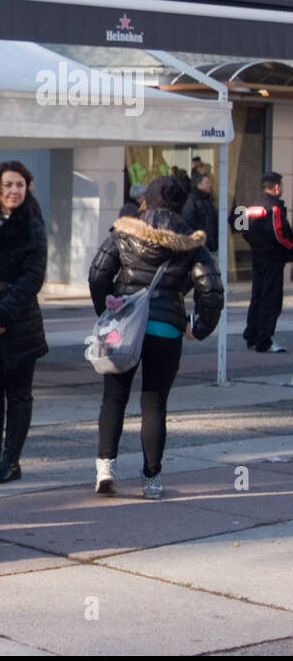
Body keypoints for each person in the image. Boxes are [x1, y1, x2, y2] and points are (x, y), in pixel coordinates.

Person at [89, 176, 223, 498]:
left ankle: (105, 468)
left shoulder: (123, 232)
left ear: (145, 201)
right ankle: (152, 479)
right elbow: (212, 289)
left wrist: (106, 312)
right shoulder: (191, 242)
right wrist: (199, 325)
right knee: (154, 403)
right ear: (181, 204)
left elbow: (97, 274)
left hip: (123, 328)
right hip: (166, 328)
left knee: (114, 397)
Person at [0, 161, 48, 483]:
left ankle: (11, 461)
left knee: (18, 394)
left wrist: (1, 315)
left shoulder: (34, 225)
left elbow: (33, 277)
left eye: (20, 184)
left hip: (20, 321)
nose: (14, 190)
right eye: (8, 185)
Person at [240, 172, 293, 353]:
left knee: (257, 298)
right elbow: (280, 235)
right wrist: (291, 248)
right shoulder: (274, 208)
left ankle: (252, 336)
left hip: (257, 257)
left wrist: (256, 245)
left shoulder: (252, 206)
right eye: (282, 186)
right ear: (276, 187)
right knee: (271, 301)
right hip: (273, 259)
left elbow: (243, 229)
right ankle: (264, 340)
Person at [181, 172, 218, 254]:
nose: (210, 185)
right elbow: (188, 221)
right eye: (207, 182)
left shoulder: (207, 200)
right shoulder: (192, 200)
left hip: (210, 244)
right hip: (200, 245)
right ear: (199, 184)